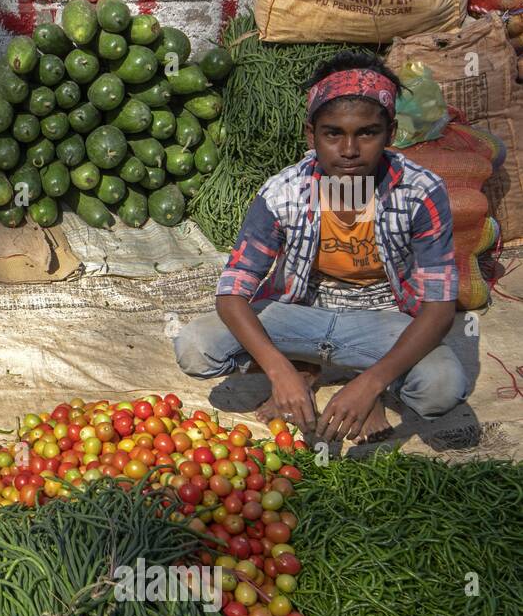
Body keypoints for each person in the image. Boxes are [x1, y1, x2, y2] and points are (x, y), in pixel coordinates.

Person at [173, 51, 467, 444]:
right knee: (196, 348)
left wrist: (371, 384)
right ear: (311, 135)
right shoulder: (283, 192)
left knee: (440, 390)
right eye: (333, 134)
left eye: (367, 133)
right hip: (302, 312)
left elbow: (440, 308)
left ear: (390, 133)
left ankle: (366, 381)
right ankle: (301, 368)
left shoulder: (421, 191)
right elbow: (231, 294)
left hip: (383, 319)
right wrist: (279, 372)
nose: (349, 150)